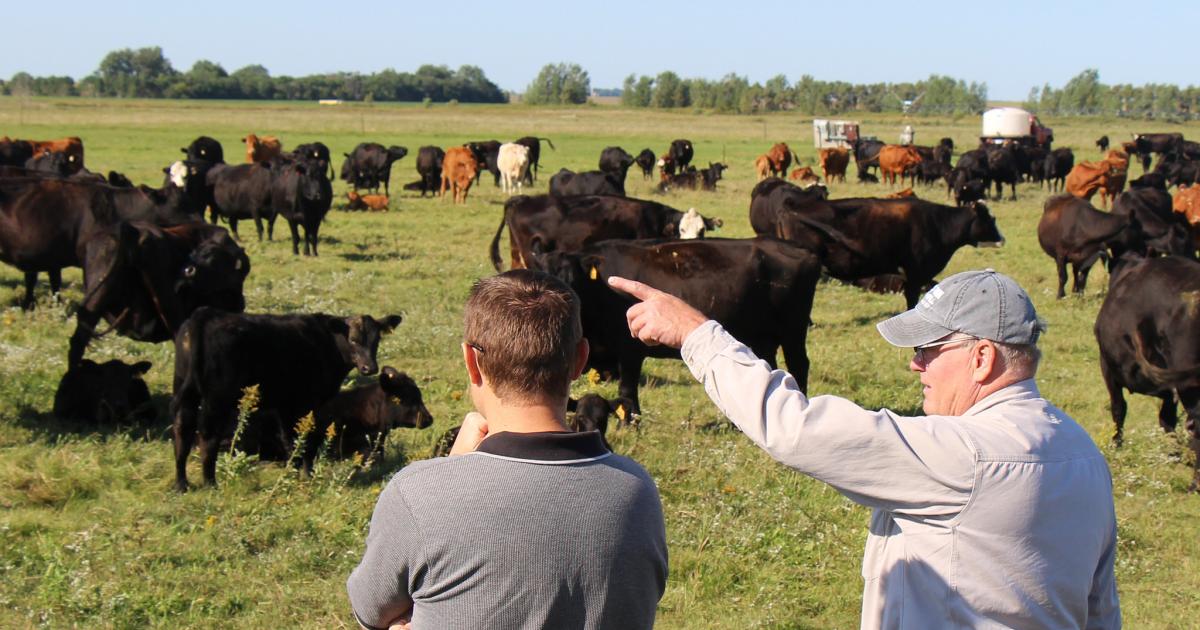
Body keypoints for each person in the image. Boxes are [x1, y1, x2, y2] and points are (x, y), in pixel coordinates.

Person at [608, 269, 1120, 629]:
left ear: (982, 358)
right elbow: (1100, 611)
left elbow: (793, 427)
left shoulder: (965, 455)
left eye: (927, 349)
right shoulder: (1083, 453)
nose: (915, 364)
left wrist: (695, 334)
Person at [347, 269, 667, 630]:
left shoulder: (418, 495)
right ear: (580, 360)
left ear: (471, 362)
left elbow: (370, 611)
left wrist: (451, 469)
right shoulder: (638, 491)